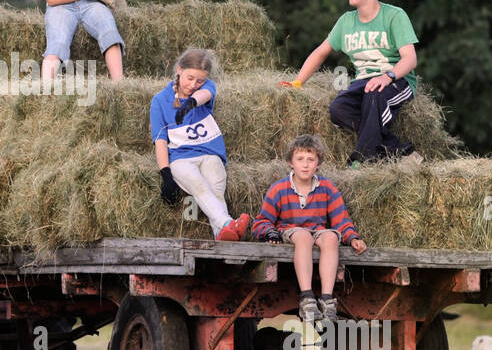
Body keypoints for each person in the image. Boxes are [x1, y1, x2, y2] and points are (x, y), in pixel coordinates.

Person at [282, 0, 420, 165]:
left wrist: (388, 76)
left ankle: (362, 158)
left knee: (374, 95)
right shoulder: (346, 22)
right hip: (364, 83)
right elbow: (320, 52)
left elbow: (410, 59)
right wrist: (298, 82)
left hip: (397, 81)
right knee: (338, 109)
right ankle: (398, 150)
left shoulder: (394, 16)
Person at [219, 135, 366, 322]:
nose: (305, 165)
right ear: (291, 162)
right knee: (303, 236)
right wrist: (269, 232)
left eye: (311, 160)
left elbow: (341, 221)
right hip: (291, 230)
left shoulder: (327, 188)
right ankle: (307, 297)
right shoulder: (279, 189)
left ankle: (327, 300)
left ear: (318, 164)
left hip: (317, 231)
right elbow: (261, 221)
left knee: (330, 237)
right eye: (300, 159)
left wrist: (352, 238)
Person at [151, 48, 232, 237]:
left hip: (210, 154)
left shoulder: (206, 88)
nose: (193, 84)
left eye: (199, 80)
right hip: (181, 158)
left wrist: (191, 103)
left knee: (216, 190)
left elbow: (206, 94)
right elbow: (160, 140)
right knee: (199, 186)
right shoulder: (160, 101)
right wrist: (166, 175)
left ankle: (223, 234)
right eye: (189, 78)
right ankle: (228, 224)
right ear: (179, 70)